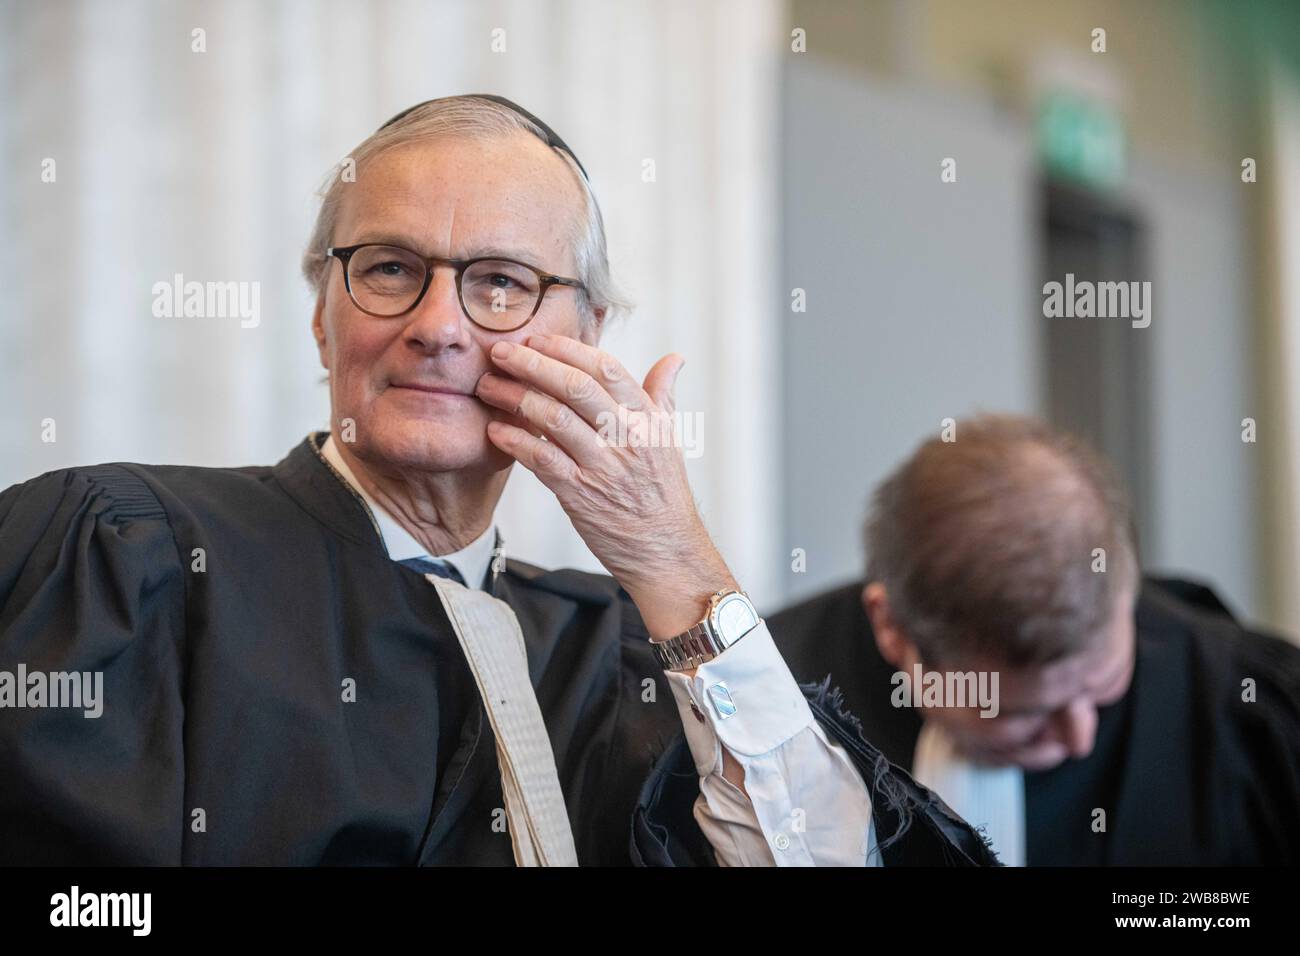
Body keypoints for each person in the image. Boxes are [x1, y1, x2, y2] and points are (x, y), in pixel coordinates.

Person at [0, 94, 995, 867]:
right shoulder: (127, 551)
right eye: (389, 268)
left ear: (586, 336)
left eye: (501, 282)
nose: (436, 324)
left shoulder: (625, 651)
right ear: (322, 314)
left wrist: (673, 559)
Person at [771, 414, 1300, 865]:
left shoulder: (1263, 716)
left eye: (1104, 683)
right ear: (892, 629)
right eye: (1026, 712)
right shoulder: (755, 714)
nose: (1079, 737)